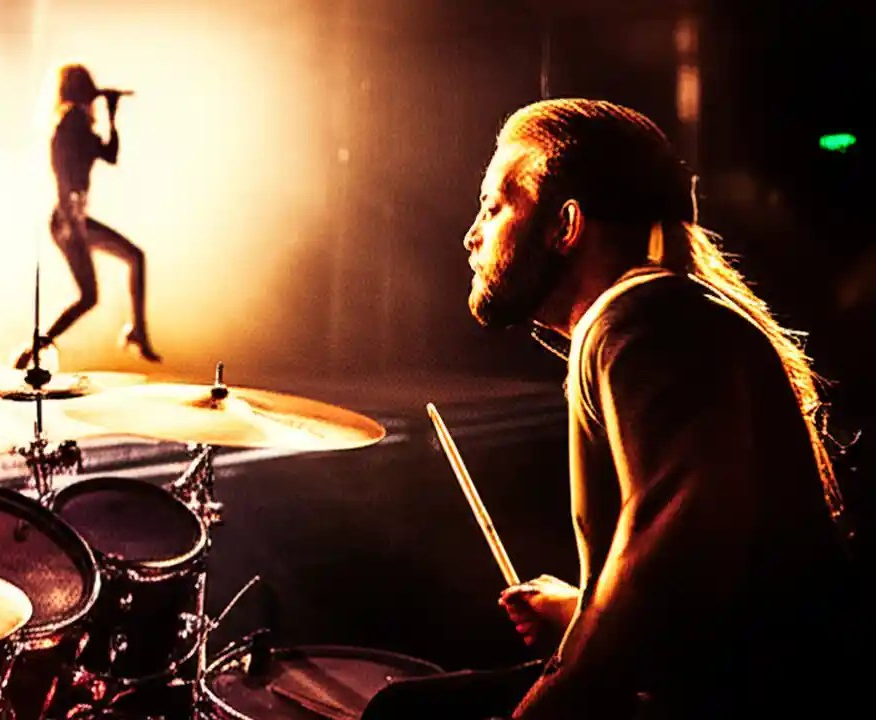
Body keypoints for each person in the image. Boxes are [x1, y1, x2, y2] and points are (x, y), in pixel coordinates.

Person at [364, 98, 866, 719]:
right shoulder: (659, 315)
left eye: (494, 207)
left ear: (565, 226)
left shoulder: (638, 317)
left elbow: (671, 560)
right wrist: (585, 609)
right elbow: (717, 589)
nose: (471, 235)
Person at [14, 64, 162, 369]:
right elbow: (61, 174)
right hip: (68, 219)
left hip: (75, 217)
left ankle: (137, 330)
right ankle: (33, 349)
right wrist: (70, 220)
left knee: (131, 261)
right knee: (91, 294)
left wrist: (111, 114)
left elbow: (110, 155)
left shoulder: (79, 125)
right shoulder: (69, 125)